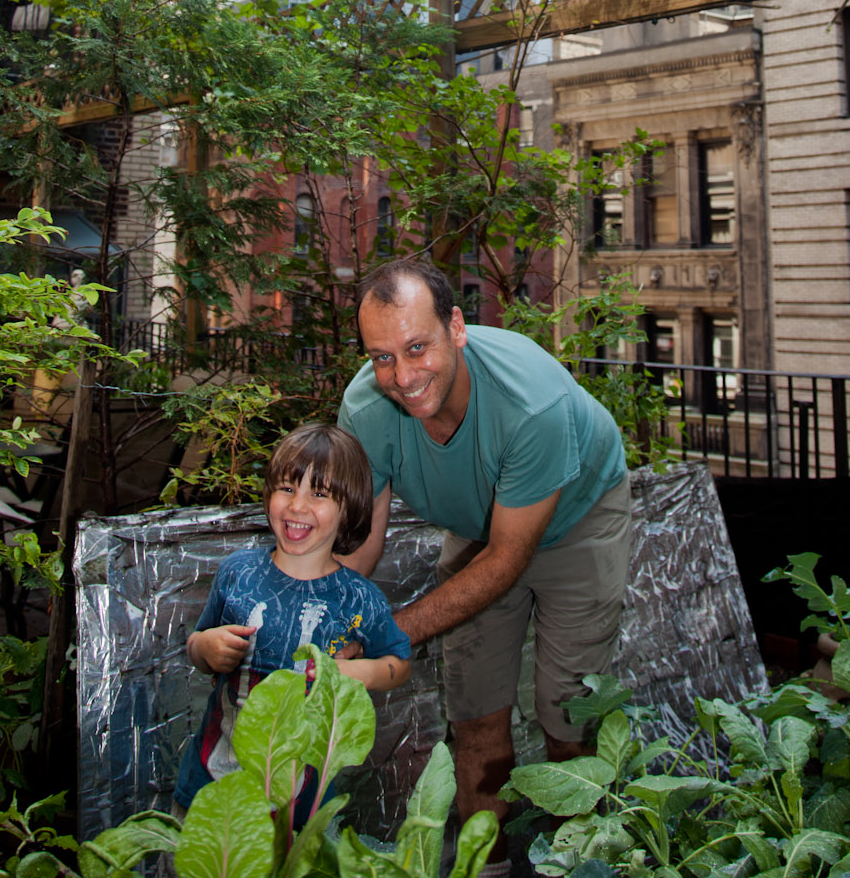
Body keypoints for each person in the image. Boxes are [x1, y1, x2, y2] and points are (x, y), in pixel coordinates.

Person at [337, 256, 631, 866]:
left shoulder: (532, 402)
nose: (402, 375)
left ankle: (576, 862)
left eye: (418, 347)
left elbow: (504, 562)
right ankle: (487, 866)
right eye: (382, 356)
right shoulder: (366, 409)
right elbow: (362, 543)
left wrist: (392, 633)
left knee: (567, 714)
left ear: (457, 328)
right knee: (474, 713)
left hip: (577, 517)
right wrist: (323, 625)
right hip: (482, 528)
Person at [174, 422, 411, 827]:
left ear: (349, 508)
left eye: (318, 494)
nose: (297, 506)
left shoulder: (356, 598)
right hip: (210, 792)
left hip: (300, 814)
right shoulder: (237, 574)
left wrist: (356, 672)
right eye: (287, 488)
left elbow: (398, 664)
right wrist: (205, 648)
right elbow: (196, 643)